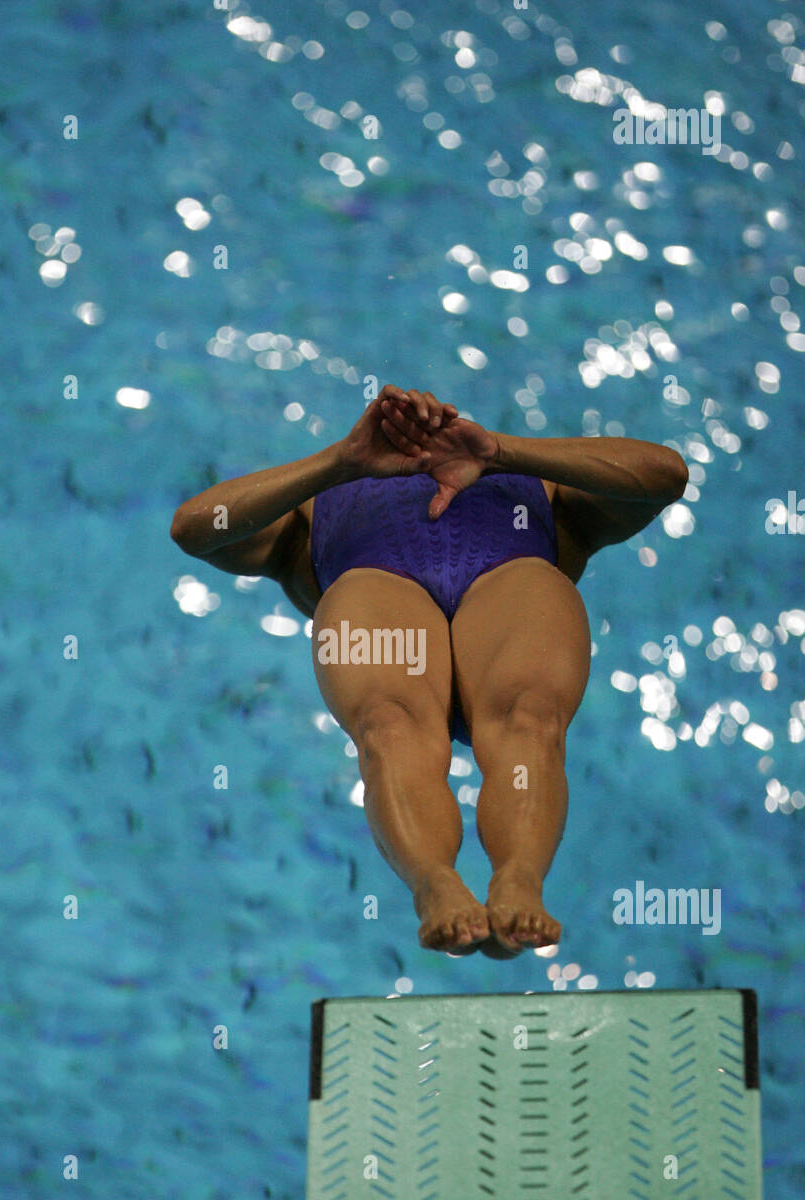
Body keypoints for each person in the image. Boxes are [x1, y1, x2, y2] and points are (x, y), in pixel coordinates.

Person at [170, 385, 687, 958]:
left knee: (532, 719)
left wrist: (502, 452)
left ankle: (518, 878)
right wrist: (336, 462)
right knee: (388, 730)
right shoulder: (309, 503)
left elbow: (666, 474)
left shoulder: (540, 484)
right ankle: (435, 884)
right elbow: (194, 528)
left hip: (507, 595)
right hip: (380, 601)